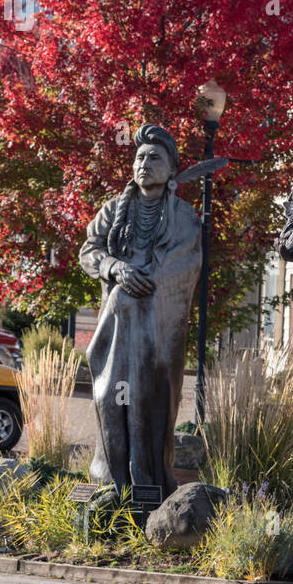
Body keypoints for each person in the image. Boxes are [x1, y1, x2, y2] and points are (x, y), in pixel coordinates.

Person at [79, 124, 202, 496]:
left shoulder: (184, 217)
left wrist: (140, 284)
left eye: (154, 157)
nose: (144, 163)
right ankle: (110, 482)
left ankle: (148, 483)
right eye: (139, 157)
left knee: (151, 403)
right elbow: (89, 251)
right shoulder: (113, 209)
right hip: (117, 334)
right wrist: (115, 268)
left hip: (156, 336)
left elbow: (182, 266)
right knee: (111, 397)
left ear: (171, 170)